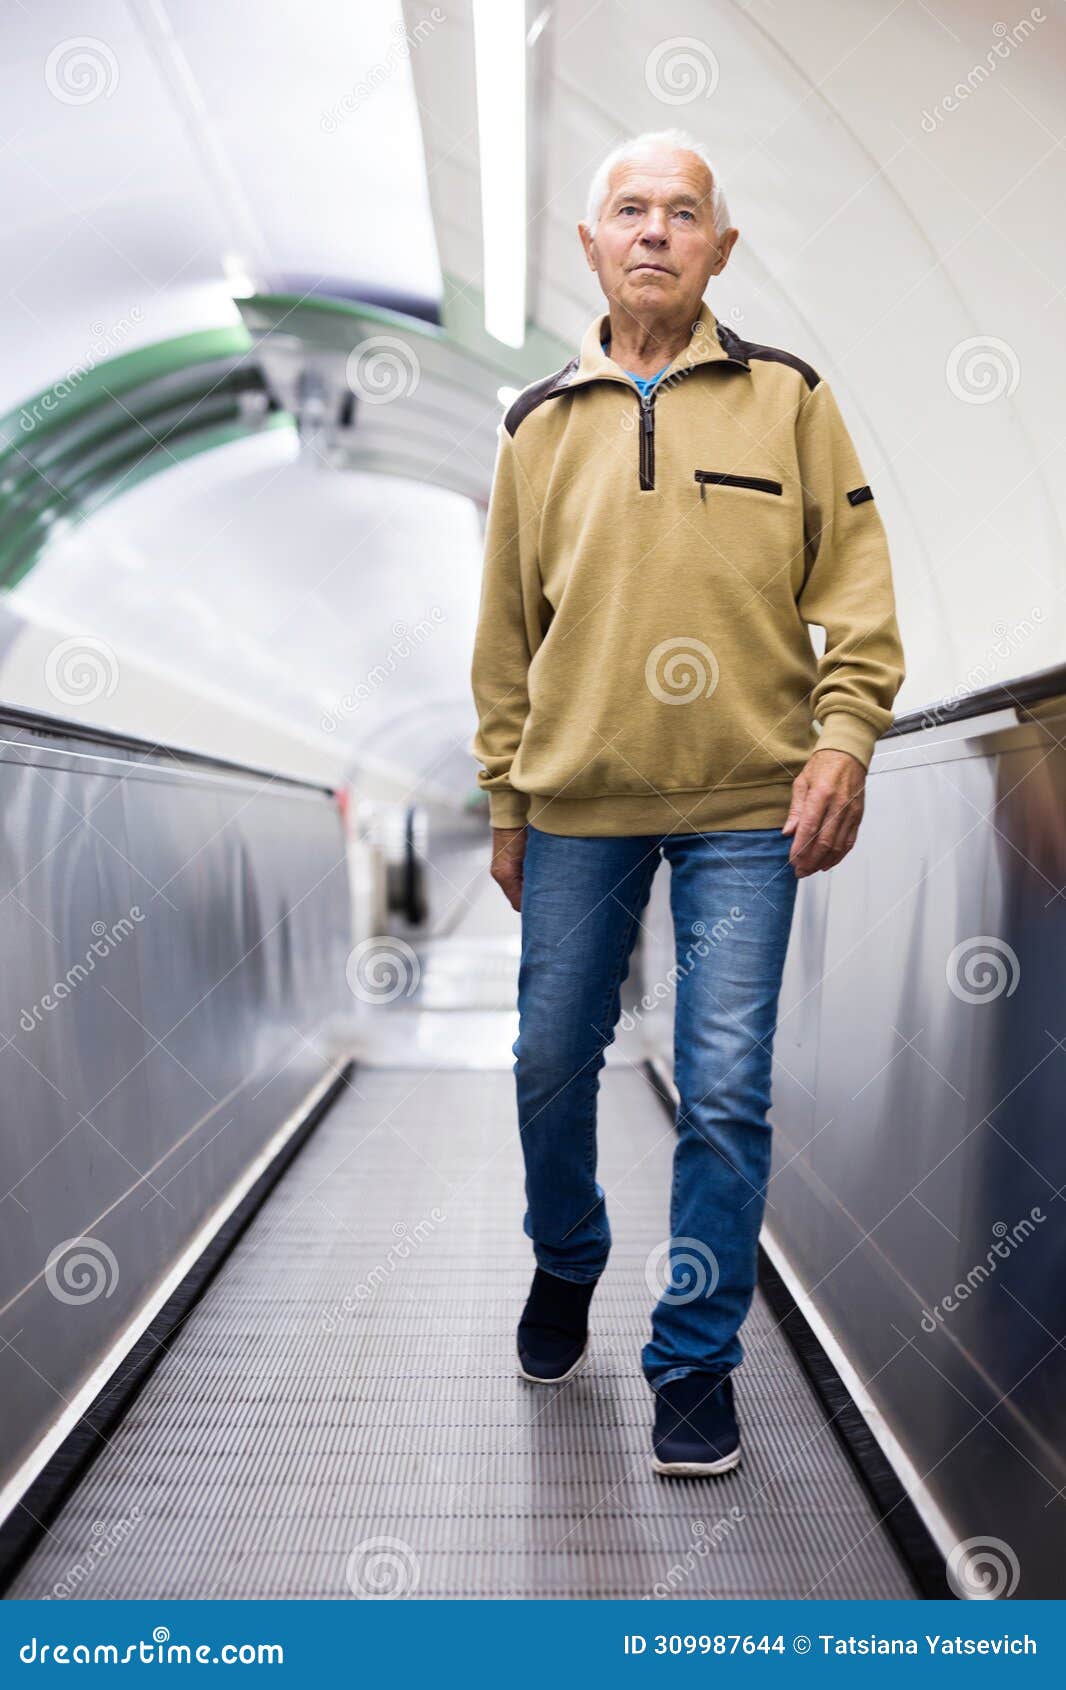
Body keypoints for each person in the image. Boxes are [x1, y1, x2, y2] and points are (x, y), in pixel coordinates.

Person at [468, 128, 905, 1476]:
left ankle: (694, 1359)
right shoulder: (537, 427)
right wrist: (503, 800)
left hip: (744, 811)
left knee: (722, 1086)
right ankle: (567, 1253)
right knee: (549, 1061)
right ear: (590, 244)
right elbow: (501, 633)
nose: (653, 230)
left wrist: (845, 736)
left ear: (721, 247)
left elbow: (860, 597)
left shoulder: (789, 398)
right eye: (628, 210)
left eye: (682, 212)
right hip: (578, 804)